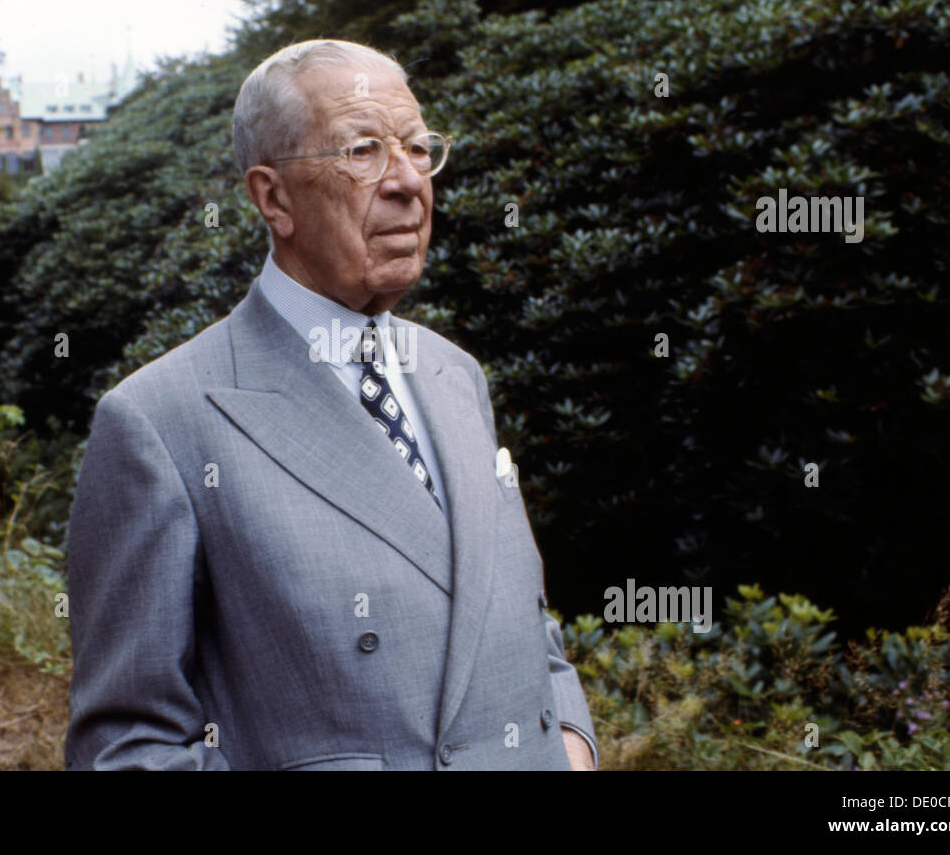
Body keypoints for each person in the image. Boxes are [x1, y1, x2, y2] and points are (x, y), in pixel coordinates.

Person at [64, 39, 598, 770]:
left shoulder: (455, 374)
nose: (408, 181)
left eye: (417, 147)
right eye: (362, 151)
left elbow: (509, 611)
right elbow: (128, 747)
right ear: (272, 196)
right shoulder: (160, 421)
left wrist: (569, 740)